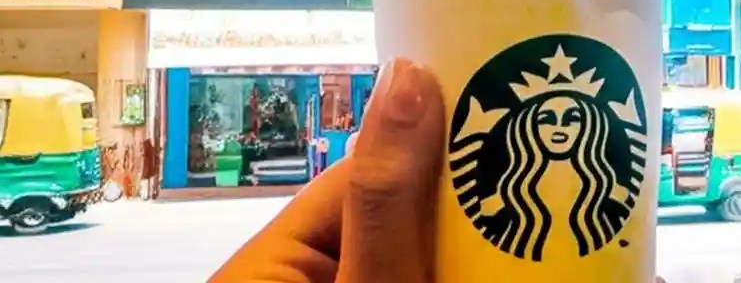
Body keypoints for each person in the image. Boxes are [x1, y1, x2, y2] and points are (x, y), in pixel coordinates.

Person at [213, 59, 667, 282]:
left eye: (572, 119)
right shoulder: (508, 196)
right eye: (547, 118)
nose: (560, 129)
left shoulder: (598, 196)